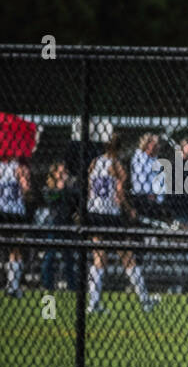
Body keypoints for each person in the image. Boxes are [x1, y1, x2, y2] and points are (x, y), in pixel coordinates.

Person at [85, 133, 156, 314]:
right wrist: (129, 209)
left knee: (99, 257)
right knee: (127, 256)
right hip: (110, 215)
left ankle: (93, 303)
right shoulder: (116, 166)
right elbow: (119, 194)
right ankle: (145, 299)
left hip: (94, 212)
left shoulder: (94, 163)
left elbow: (89, 188)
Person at [39, 162, 77, 291]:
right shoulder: (48, 189)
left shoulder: (70, 188)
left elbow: (74, 202)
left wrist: (66, 189)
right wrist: (60, 189)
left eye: (64, 172)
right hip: (54, 224)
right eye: (60, 173)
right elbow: (51, 199)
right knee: (50, 255)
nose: (63, 175)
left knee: (69, 257)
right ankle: (47, 284)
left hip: (67, 223)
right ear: (54, 174)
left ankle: (72, 285)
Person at [0, 155, 31, 298]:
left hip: (2, 208)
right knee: (15, 249)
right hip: (14, 211)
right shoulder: (19, 166)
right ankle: (12, 286)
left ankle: (11, 285)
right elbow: (25, 189)